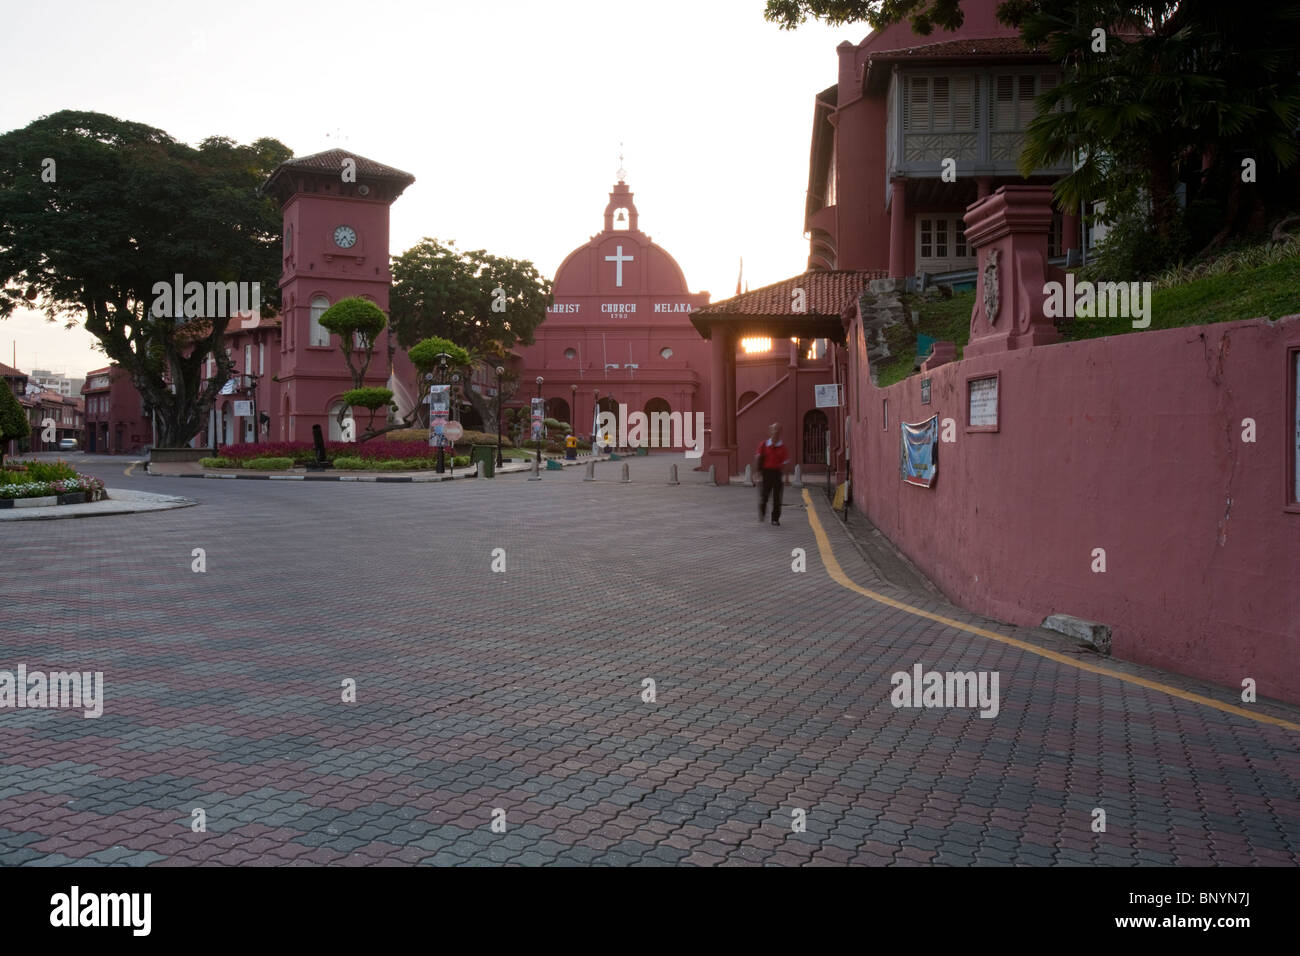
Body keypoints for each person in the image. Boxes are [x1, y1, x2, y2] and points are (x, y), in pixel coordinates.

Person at [755, 422, 790, 526]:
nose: (776, 432)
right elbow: (758, 458)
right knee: (765, 496)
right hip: (766, 473)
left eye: (778, 430)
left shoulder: (782, 447)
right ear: (770, 431)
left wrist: (787, 477)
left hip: (777, 473)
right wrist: (757, 472)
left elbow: (785, 463)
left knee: (777, 498)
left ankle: (775, 519)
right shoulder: (764, 444)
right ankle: (762, 510)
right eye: (774, 430)